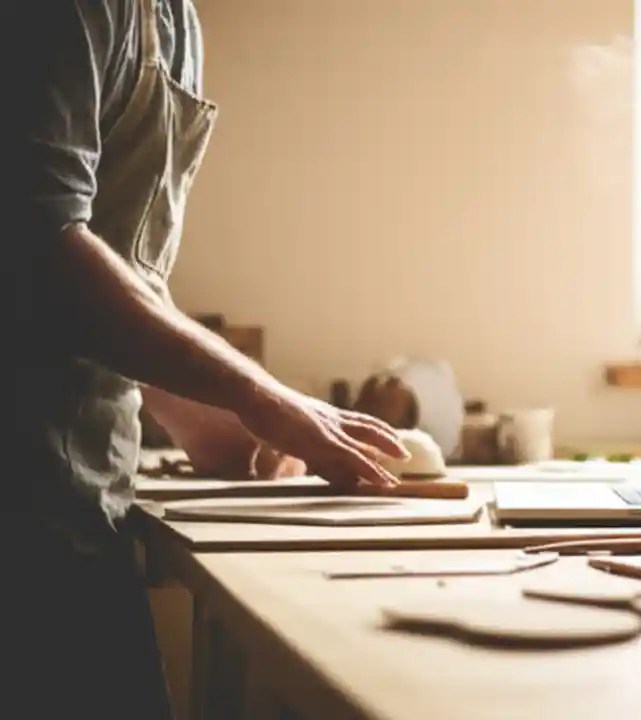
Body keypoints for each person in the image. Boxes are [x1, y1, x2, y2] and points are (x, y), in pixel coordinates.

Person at [4, 1, 410, 716]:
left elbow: (125, 281)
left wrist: (208, 415)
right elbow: (37, 244)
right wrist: (258, 395)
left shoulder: (176, 20)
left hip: (82, 496)